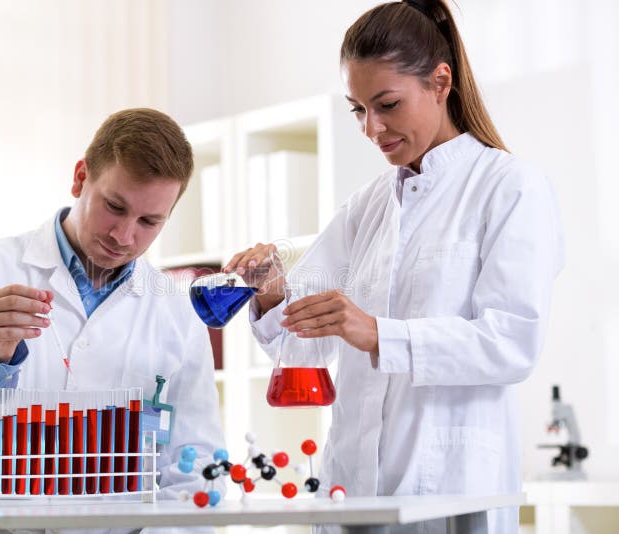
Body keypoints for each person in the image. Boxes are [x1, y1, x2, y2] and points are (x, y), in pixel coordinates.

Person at [225, 1, 564, 533]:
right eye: (358, 110)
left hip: (450, 489)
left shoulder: (509, 187)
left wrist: (378, 334)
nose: (372, 128)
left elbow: (511, 343)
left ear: (440, 82)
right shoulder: (367, 207)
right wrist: (269, 293)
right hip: (351, 493)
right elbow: (303, 352)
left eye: (386, 104)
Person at [0, 109, 224, 516]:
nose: (123, 236)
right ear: (80, 177)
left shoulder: (177, 312)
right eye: (114, 206)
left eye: (149, 221)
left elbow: (196, 464)